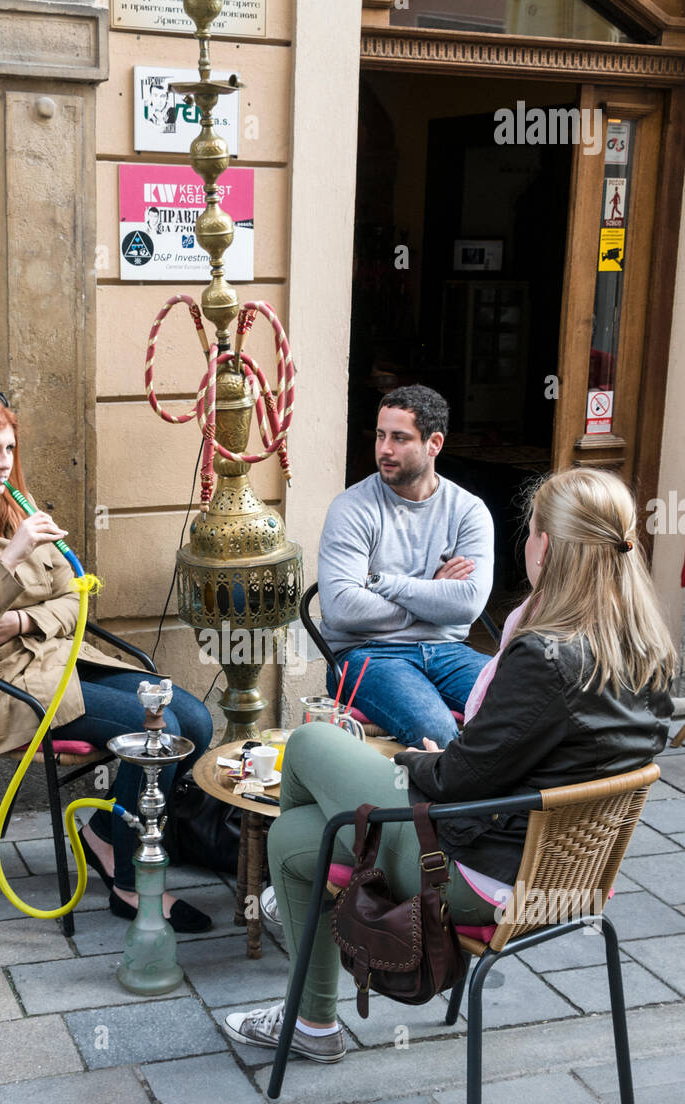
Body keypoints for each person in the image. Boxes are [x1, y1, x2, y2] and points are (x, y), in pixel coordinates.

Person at [225, 467, 675, 1062]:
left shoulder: (547, 656)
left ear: (548, 548)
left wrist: (418, 759)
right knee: (292, 838)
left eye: (533, 532)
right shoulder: (647, 650)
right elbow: (535, 757)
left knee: (308, 747)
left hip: (476, 878)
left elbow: (459, 779)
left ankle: (303, 964)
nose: (526, 544)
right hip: (573, 879)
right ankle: (310, 1018)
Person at [0, 390, 214, 932]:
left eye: (9, 448)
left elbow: (78, 593)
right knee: (163, 734)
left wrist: (25, 621)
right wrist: (12, 557)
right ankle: (130, 884)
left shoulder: (15, 505)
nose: (4, 463)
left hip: (59, 656)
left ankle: (99, 831)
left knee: (199, 724)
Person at [317, 383, 494, 747]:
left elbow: (468, 603)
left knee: (523, 710)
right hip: (367, 654)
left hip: (449, 651)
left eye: (399, 438)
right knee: (438, 730)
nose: (384, 449)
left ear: (434, 444)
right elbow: (341, 609)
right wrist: (433, 593)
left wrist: (384, 583)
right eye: (381, 435)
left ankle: (507, 807)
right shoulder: (352, 508)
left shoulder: (468, 511)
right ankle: (451, 805)